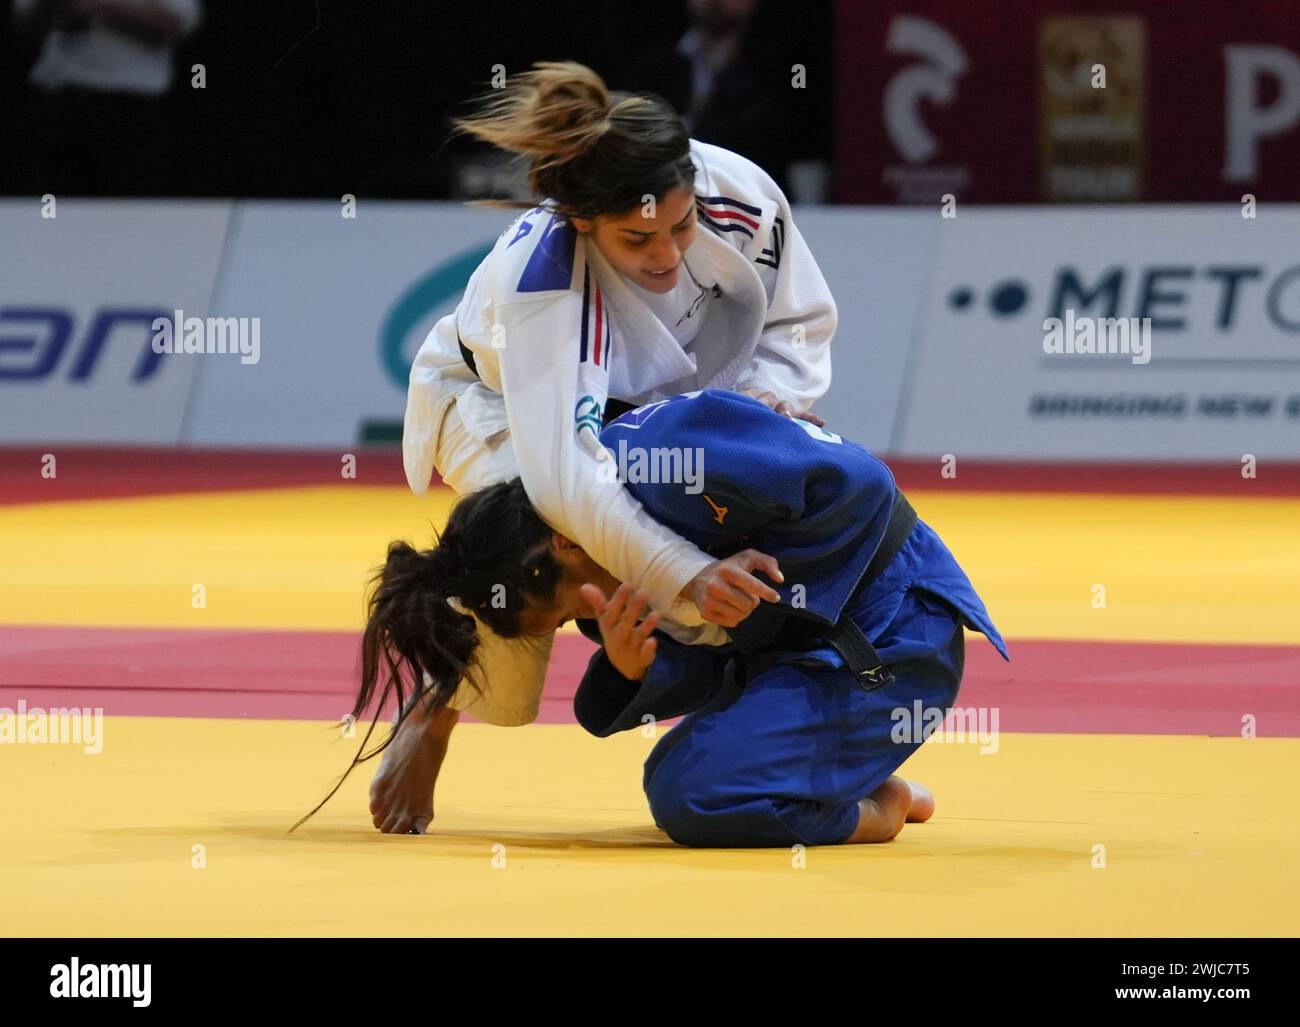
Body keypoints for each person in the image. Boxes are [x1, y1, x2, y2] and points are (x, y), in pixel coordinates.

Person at [375, 60, 838, 831]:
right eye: (637, 238)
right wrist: (691, 574)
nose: (666, 254)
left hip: (659, 404)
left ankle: (779, 739)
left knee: (726, 520)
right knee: (541, 541)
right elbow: (569, 485)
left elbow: (800, 319)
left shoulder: (742, 194)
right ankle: (441, 707)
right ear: (584, 221)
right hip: (486, 398)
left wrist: (767, 404)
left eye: (680, 226)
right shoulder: (542, 281)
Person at [317, 390, 1007, 846]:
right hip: (796, 656)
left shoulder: (670, 458)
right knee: (681, 781)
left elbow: (863, 481)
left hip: (889, 635)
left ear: (561, 542)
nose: (579, 620)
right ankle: (835, 773)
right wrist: (624, 669)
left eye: (560, 612)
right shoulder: (602, 568)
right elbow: (673, 677)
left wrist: (771, 574)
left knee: (694, 796)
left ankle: (875, 811)